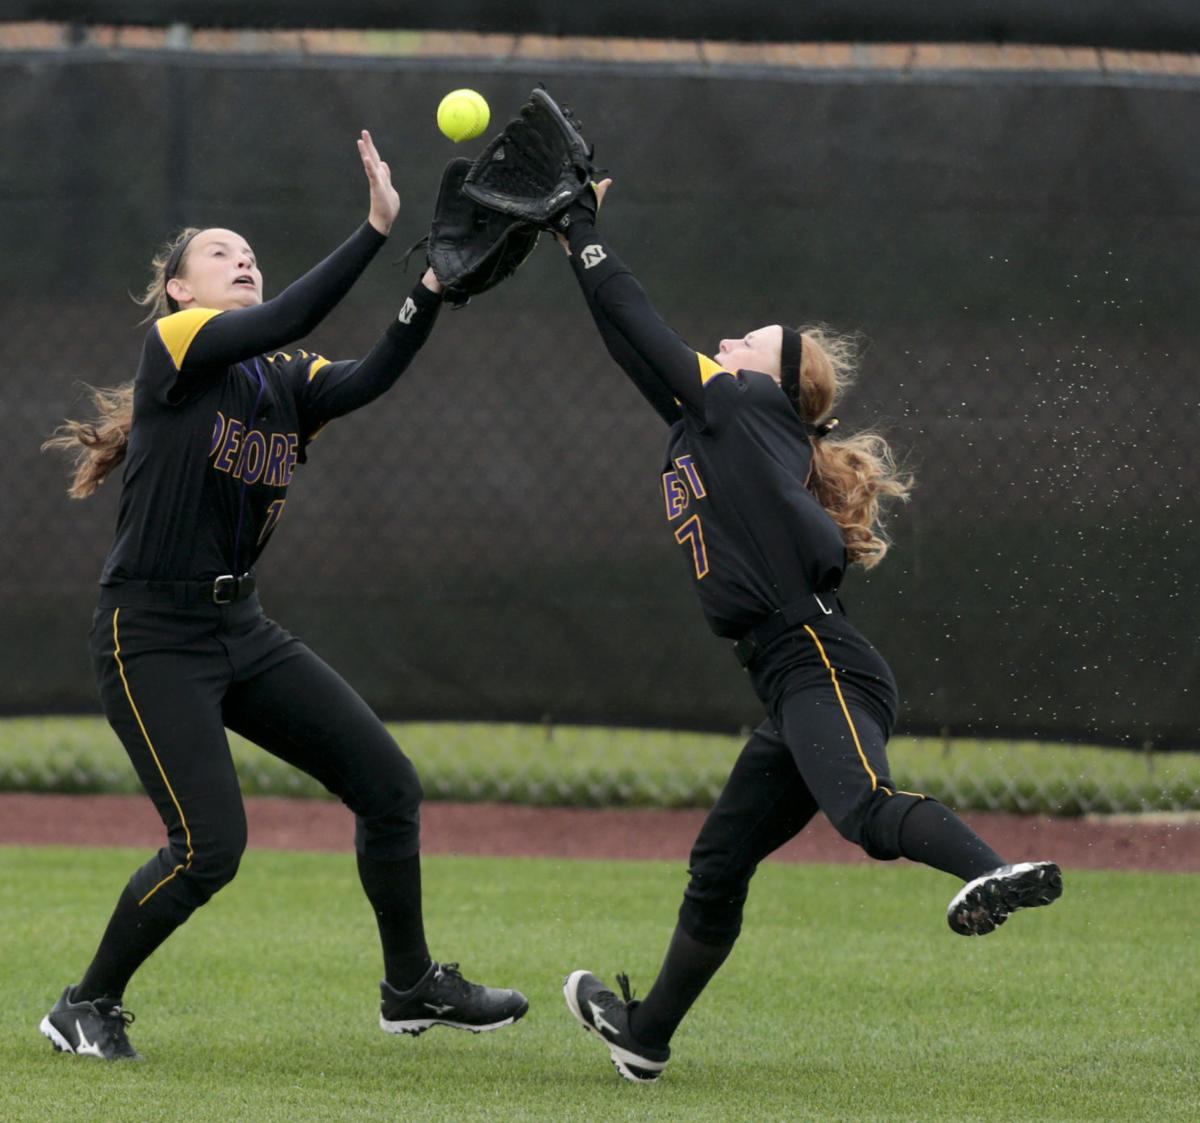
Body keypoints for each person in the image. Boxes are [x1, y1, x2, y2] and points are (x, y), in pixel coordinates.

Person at [553, 181, 1063, 1083]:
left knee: (862, 809)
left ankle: (992, 870)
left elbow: (642, 321)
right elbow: (631, 341)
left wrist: (586, 229)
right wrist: (570, 243)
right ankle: (645, 1033)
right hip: (786, 674)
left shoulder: (745, 409)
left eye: (746, 342)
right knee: (719, 860)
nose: (725, 344)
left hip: (820, 659)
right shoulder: (719, 425)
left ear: (773, 383)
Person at [38, 131, 527, 1061]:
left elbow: (371, 374)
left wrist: (428, 289)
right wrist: (376, 229)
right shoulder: (175, 348)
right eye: (220, 253)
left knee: (387, 785)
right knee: (208, 847)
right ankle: (84, 1003)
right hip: (151, 633)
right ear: (180, 290)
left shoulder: (282, 381)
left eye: (248, 252)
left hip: (241, 627)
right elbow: (293, 313)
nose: (243, 260)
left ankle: (410, 984)